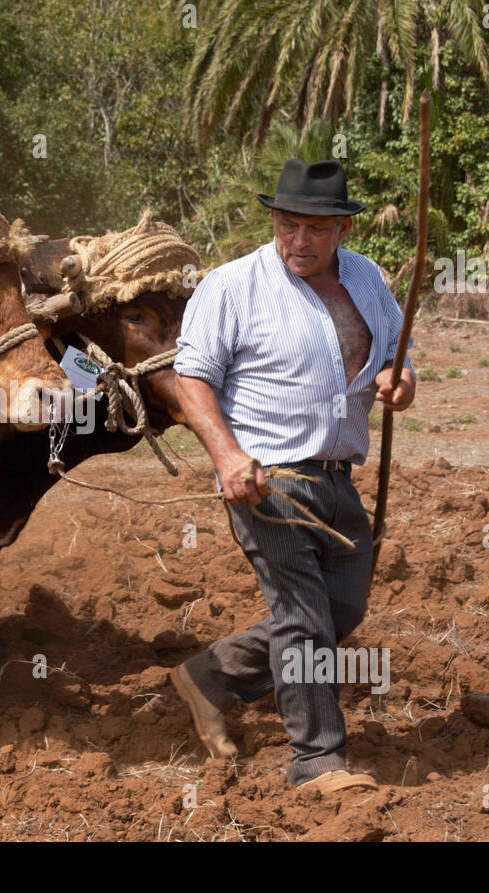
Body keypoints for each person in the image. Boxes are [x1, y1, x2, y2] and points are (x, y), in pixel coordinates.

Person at [169, 159, 416, 796]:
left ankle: (212, 677)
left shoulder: (367, 278)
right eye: (286, 224)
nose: (298, 240)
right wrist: (227, 457)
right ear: (272, 219)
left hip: (337, 476)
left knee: (342, 609)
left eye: (314, 228)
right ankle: (317, 762)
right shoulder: (231, 286)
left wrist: (400, 380)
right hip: (268, 478)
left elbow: (395, 354)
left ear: (342, 229)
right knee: (304, 617)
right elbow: (190, 379)